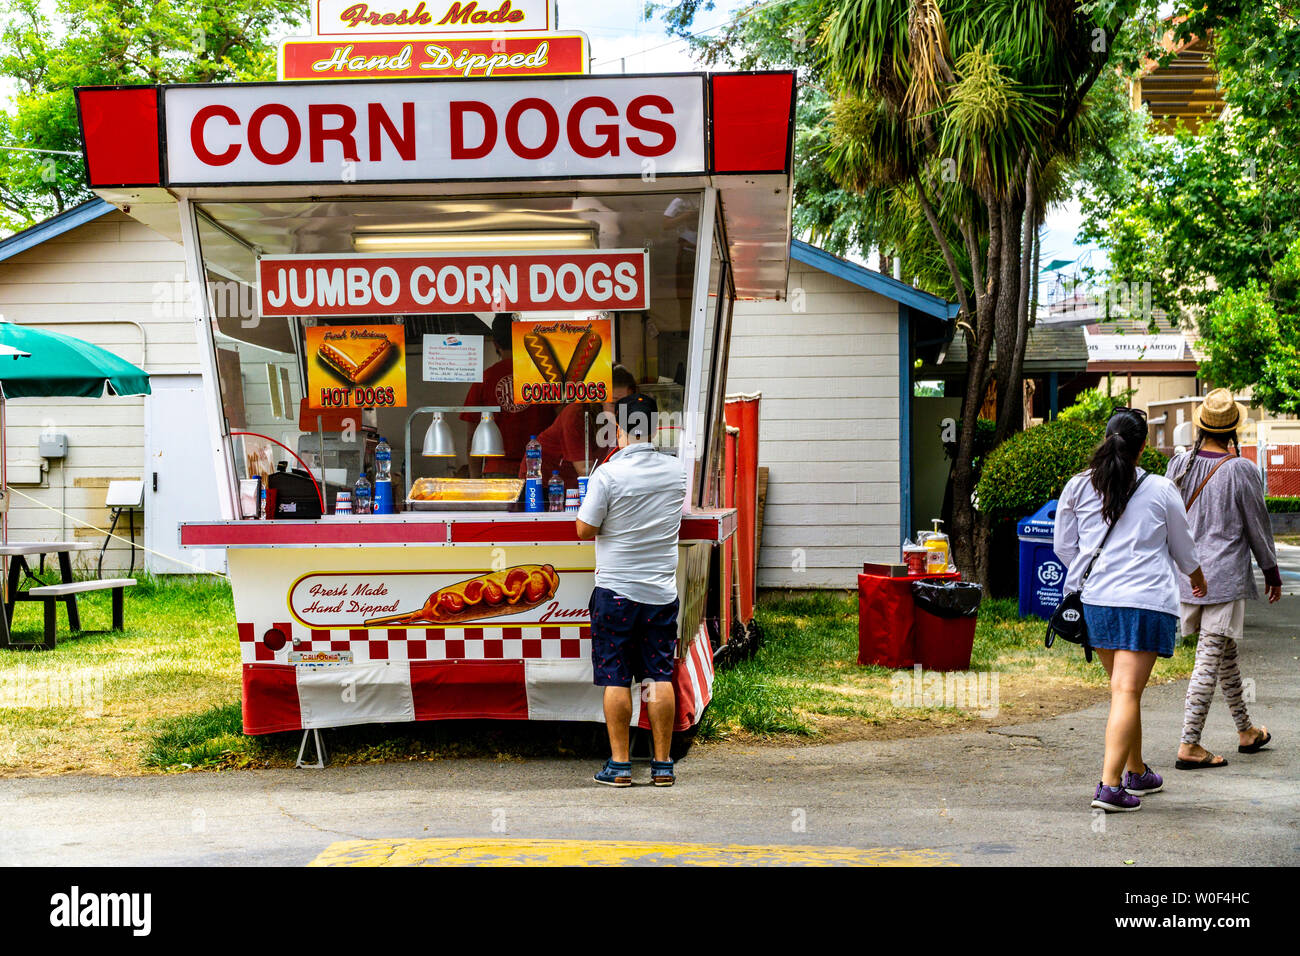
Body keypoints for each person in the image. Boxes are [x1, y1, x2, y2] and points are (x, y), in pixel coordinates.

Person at [1054, 408, 1207, 812]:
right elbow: (1183, 548)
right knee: (1126, 690)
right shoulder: (1160, 488)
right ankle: (1109, 787)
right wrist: (1197, 577)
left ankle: (1137, 771)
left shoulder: (1077, 486)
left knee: (1125, 690)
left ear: (1106, 439)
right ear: (1143, 447)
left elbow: (1064, 548)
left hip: (1098, 602)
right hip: (1145, 602)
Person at [575, 392, 687, 787]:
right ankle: (661, 765)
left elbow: (584, 529)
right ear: (655, 427)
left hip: (617, 591)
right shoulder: (677, 472)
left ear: (618, 429)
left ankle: (620, 765)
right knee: (658, 674)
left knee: (616, 678)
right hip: (660, 592)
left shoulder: (608, 475)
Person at [1166, 389, 1279, 770]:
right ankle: (1189, 744)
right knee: (1207, 662)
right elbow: (1257, 525)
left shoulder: (1179, 466)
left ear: (1200, 427)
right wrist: (1270, 569)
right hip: (1223, 578)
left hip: (1186, 576)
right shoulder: (1241, 469)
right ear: (1233, 430)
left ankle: (1246, 731)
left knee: (1223, 655)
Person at [461, 313, 556, 478]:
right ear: (523, 340)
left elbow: (472, 438)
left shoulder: (484, 380)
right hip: (540, 469)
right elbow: (561, 422)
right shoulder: (545, 377)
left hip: (498, 472)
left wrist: (474, 480)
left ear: (495, 344)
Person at [522, 364, 638, 486]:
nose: (621, 410)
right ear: (598, 398)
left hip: (578, 486)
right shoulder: (576, 414)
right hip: (544, 485)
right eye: (614, 403)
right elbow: (585, 470)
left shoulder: (621, 417)